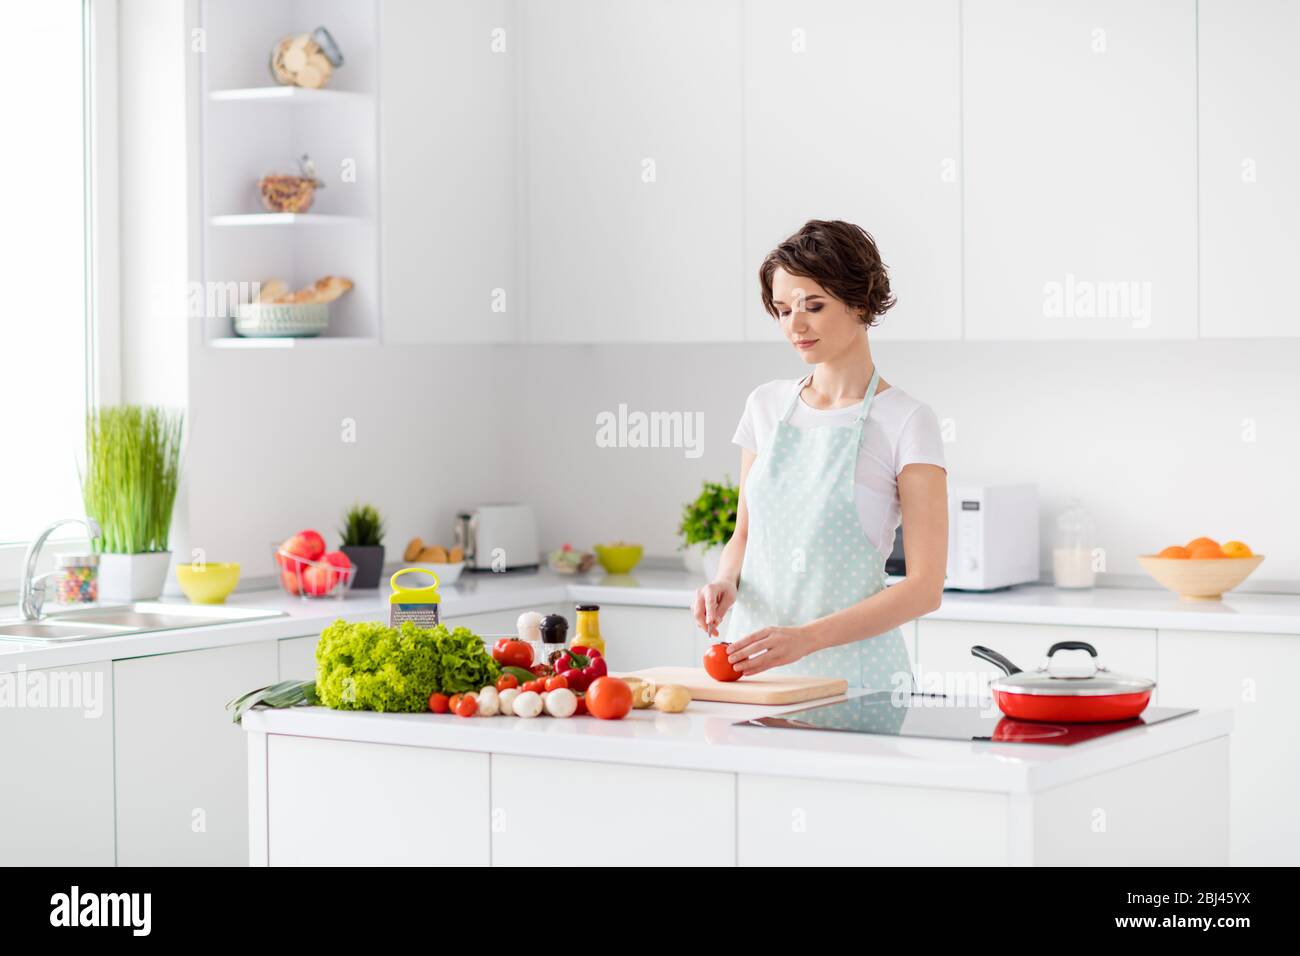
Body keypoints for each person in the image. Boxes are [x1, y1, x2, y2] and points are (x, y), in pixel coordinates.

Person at [692, 220, 948, 692]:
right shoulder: (765, 406)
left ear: (859, 303)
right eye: (783, 310)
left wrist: (808, 639)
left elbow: (925, 589)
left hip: (858, 682)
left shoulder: (908, 421)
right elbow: (744, 535)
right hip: (755, 677)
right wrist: (726, 581)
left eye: (813, 306)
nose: (796, 326)